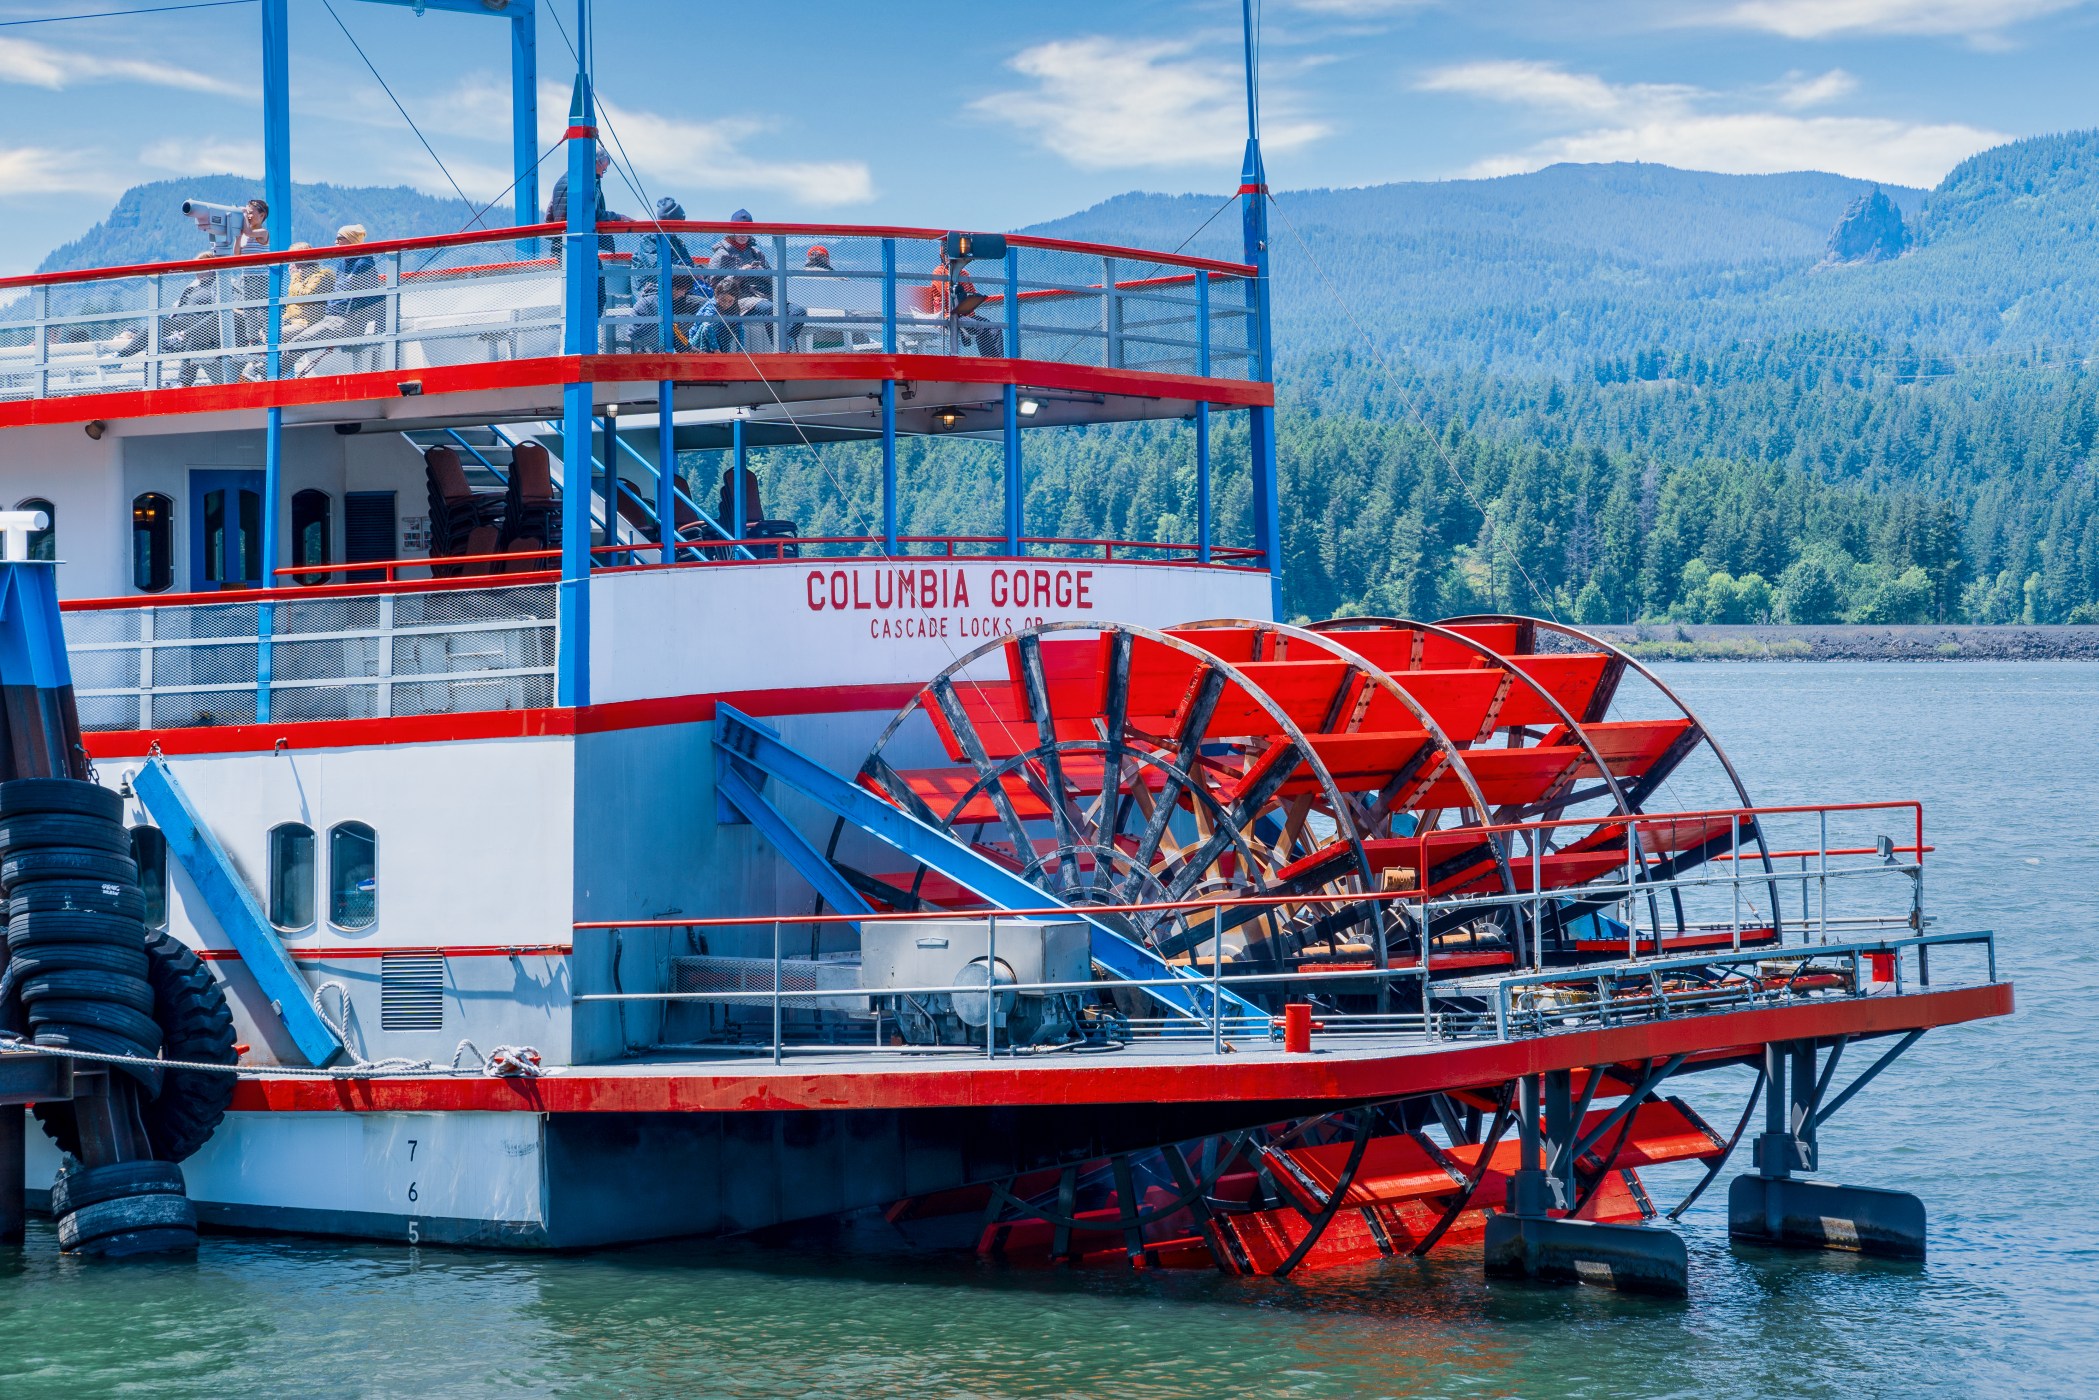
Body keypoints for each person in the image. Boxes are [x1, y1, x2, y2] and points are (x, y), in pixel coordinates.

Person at [287, 225, 382, 376]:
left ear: (351, 241)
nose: (335, 241)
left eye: (339, 238)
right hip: (331, 319)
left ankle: (269, 375)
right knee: (295, 341)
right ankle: (268, 373)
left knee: (298, 342)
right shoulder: (343, 263)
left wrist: (358, 324)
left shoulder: (363, 264)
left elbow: (371, 299)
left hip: (345, 322)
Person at [931, 249, 1003, 356]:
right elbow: (949, 293)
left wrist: (973, 298)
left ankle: (996, 362)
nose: (950, 257)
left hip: (966, 313)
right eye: (947, 254)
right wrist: (961, 295)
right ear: (942, 256)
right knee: (981, 327)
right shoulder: (939, 272)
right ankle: (989, 361)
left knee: (994, 328)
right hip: (948, 314)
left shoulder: (964, 273)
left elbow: (971, 292)